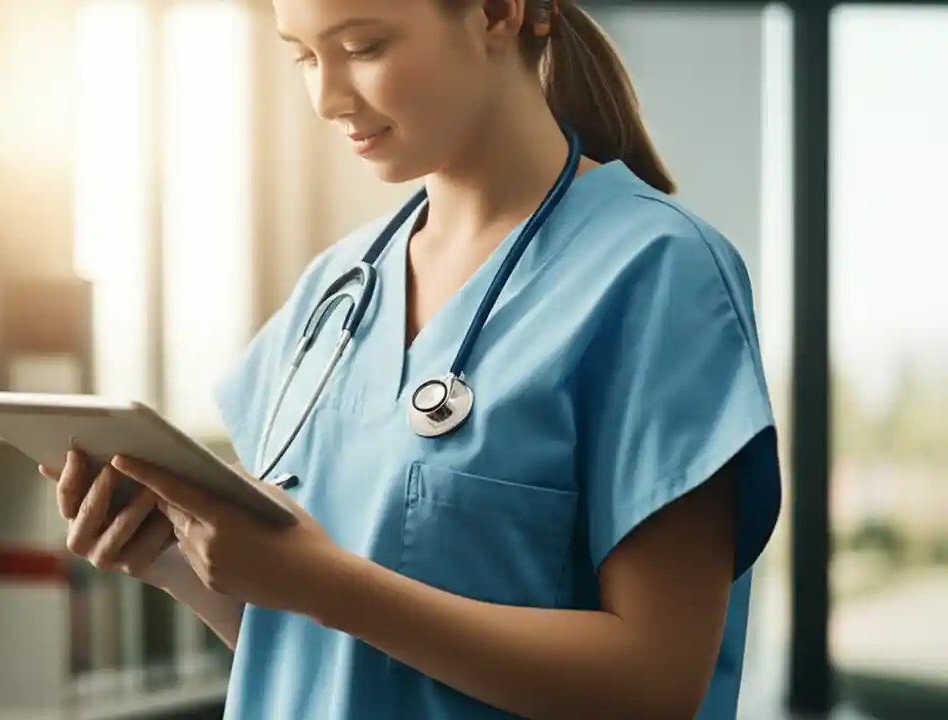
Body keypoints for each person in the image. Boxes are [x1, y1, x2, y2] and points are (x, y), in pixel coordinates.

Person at [41, 0, 782, 717]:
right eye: (304, 56)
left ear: (496, 13)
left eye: (362, 48)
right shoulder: (334, 290)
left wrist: (328, 585)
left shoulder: (657, 272)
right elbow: (318, 653)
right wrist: (173, 560)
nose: (327, 99)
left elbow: (655, 686)